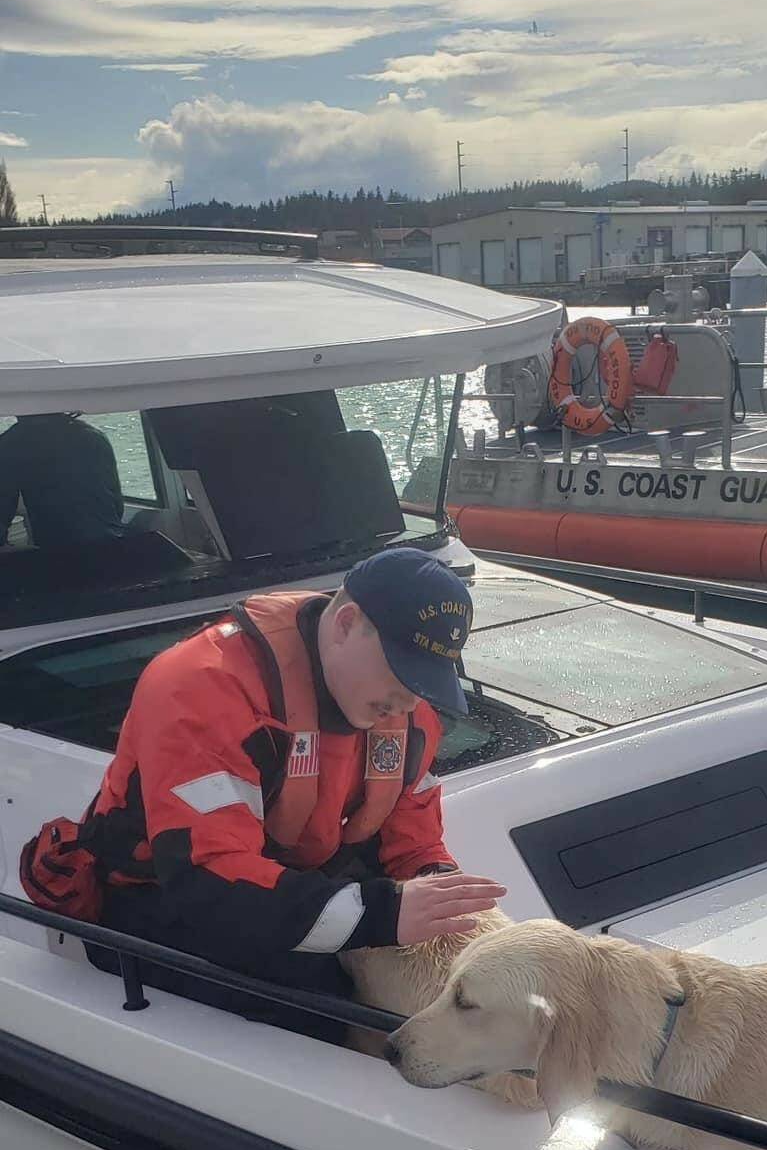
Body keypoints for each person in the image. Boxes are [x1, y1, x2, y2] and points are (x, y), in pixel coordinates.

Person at [51, 548, 505, 1000]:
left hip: (296, 884)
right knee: (326, 1001)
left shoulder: (405, 711)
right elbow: (209, 879)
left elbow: (414, 840)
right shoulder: (202, 688)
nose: (410, 699)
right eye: (402, 672)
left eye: (425, 681)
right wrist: (383, 915)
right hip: (168, 894)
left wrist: (446, 897)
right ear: (345, 624)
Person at [0, 412, 124, 550]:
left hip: (59, 550)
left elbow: (2, 507)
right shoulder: (94, 435)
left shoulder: (10, 443)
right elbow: (116, 504)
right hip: (112, 543)